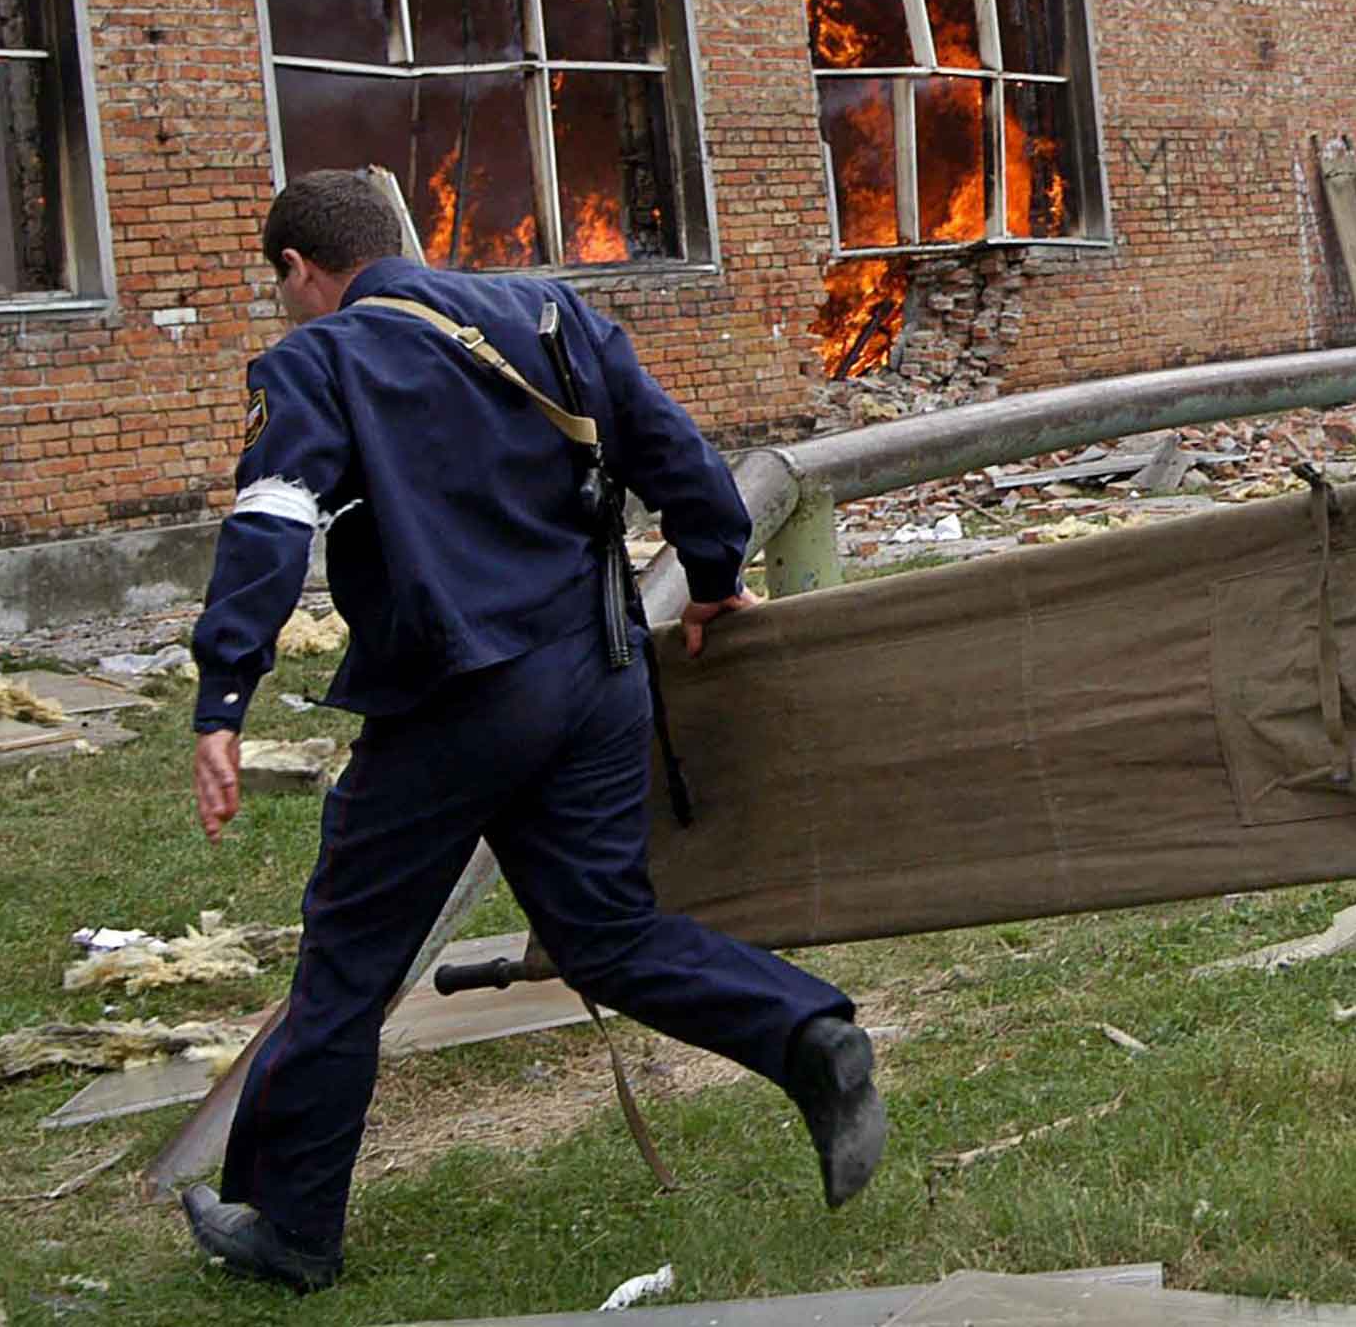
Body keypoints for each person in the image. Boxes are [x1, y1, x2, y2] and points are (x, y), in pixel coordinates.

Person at [176, 173, 884, 1291]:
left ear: (300, 271)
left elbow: (269, 530)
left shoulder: (314, 361)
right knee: (607, 931)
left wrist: (223, 698)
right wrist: (709, 577)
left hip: (450, 707)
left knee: (348, 968)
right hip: (596, 685)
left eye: (281, 290)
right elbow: (677, 451)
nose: (285, 311)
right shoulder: (549, 312)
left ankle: (290, 1226)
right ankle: (809, 1035)